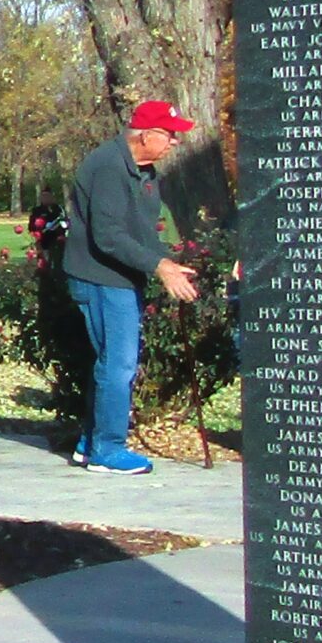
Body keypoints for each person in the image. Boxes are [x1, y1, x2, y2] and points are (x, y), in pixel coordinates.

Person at [62, 103, 202, 475]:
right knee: (119, 364)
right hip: (101, 279)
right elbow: (108, 237)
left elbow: (141, 232)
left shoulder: (145, 172)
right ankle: (107, 451)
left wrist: (170, 265)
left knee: (110, 362)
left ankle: (89, 443)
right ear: (145, 135)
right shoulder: (109, 166)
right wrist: (160, 267)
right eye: (169, 134)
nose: (174, 142)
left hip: (122, 279)